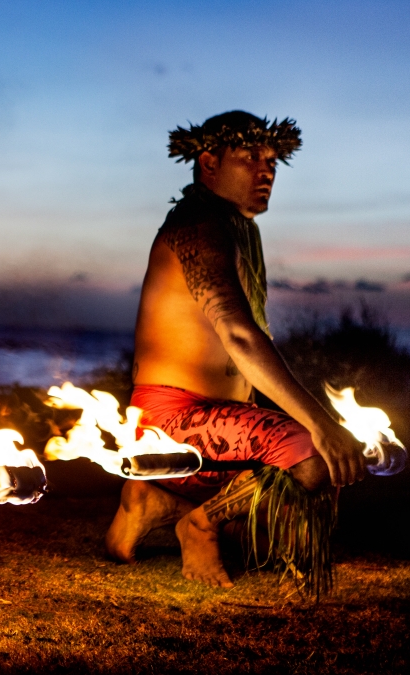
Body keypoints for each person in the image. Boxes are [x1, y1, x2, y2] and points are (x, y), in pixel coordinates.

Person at [106, 111, 367, 596]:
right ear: (209, 162)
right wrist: (319, 425)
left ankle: (156, 502)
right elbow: (239, 336)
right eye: (250, 158)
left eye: (272, 162)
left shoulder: (239, 231)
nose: (266, 171)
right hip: (173, 419)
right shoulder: (198, 224)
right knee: (315, 455)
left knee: (280, 528)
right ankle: (199, 525)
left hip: (224, 422)